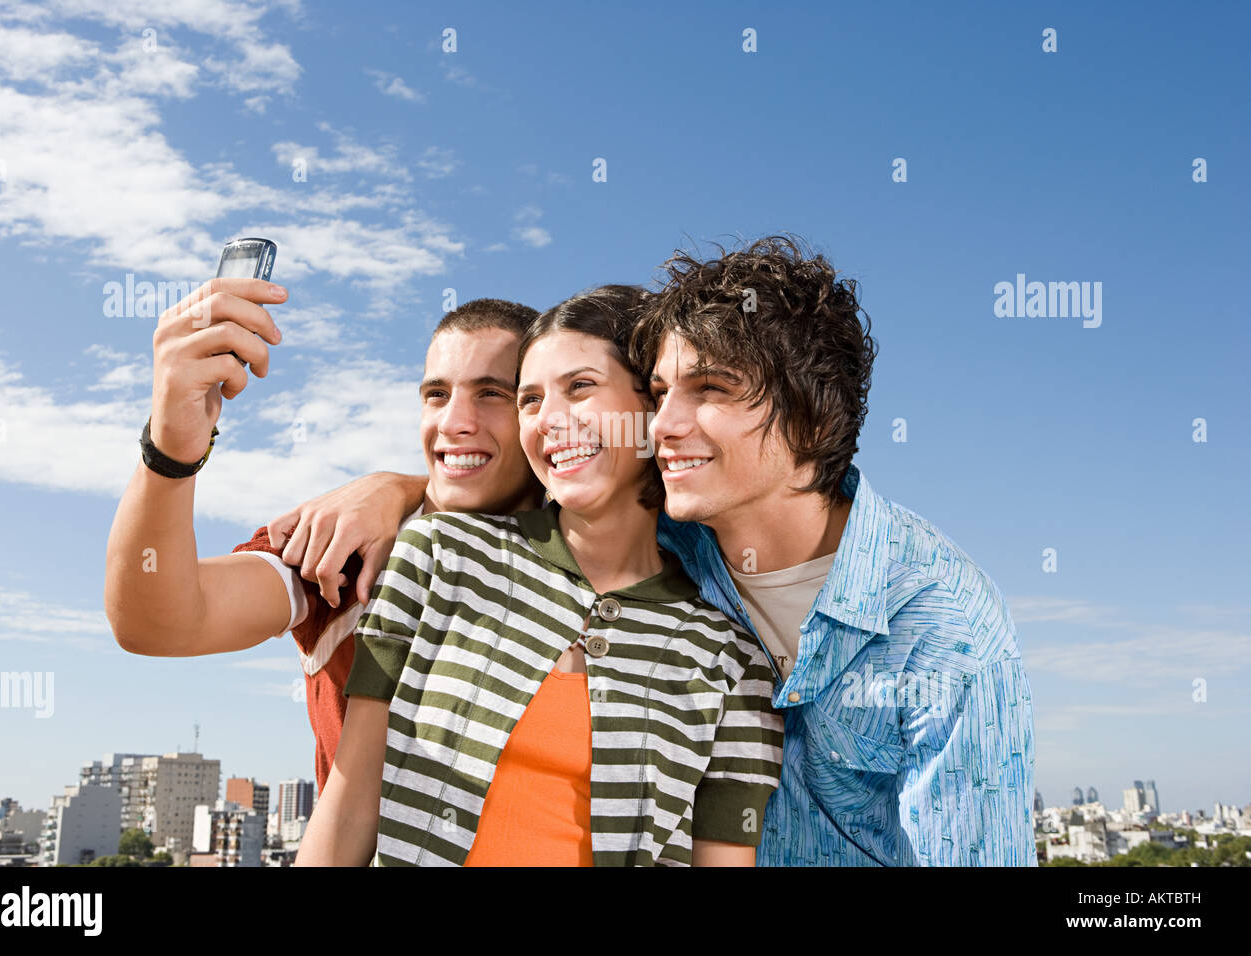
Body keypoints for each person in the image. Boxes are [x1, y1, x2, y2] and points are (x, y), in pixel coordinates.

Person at [288, 236, 1038, 866]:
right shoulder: (668, 521)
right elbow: (545, 484)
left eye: (709, 390)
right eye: (659, 390)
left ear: (810, 419)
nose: (666, 423)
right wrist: (396, 489)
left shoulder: (948, 632)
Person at [295, 285, 783, 867]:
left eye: (580, 387)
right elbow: (349, 809)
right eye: (529, 400)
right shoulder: (439, 557)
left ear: (652, 409)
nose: (549, 420)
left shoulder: (732, 660)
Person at [104, 277, 542, 791]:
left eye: (492, 393)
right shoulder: (340, 543)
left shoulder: (603, 550)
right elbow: (155, 623)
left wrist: (397, 484)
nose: (453, 422)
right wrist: (170, 451)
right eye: (437, 395)